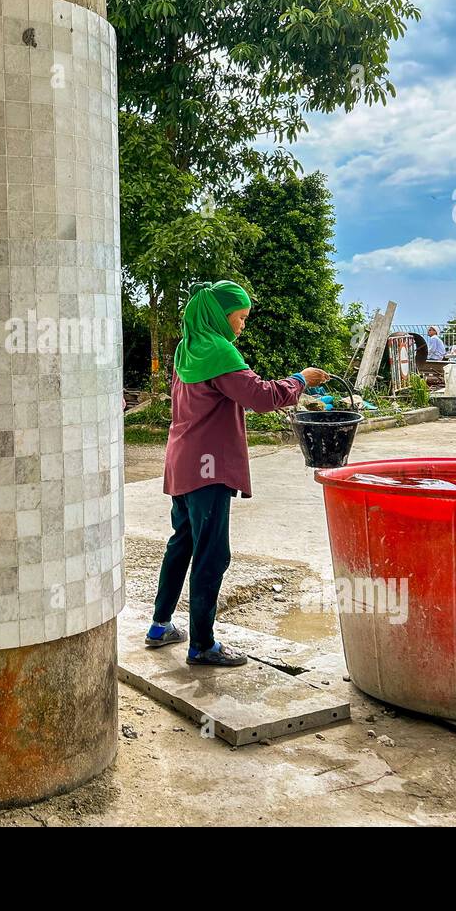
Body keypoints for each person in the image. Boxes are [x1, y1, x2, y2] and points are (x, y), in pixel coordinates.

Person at [144, 280, 329, 667]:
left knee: (182, 543)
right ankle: (203, 645)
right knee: (212, 554)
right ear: (220, 315)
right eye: (240, 317)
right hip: (208, 467)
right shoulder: (218, 351)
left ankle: (161, 625)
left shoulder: (188, 347)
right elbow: (261, 397)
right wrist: (300, 380)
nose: (242, 325)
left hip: (183, 461)